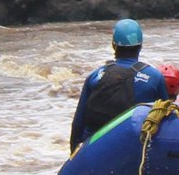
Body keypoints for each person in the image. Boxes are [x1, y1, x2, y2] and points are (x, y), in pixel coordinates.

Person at [68, 19, 168, 151]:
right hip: (130, 148)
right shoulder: (155, 78)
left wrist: (73, 154)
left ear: (113, 45)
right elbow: (165, 120)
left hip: (94, 149)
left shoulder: (95, 76)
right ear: (140, 46)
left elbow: (78, 124)